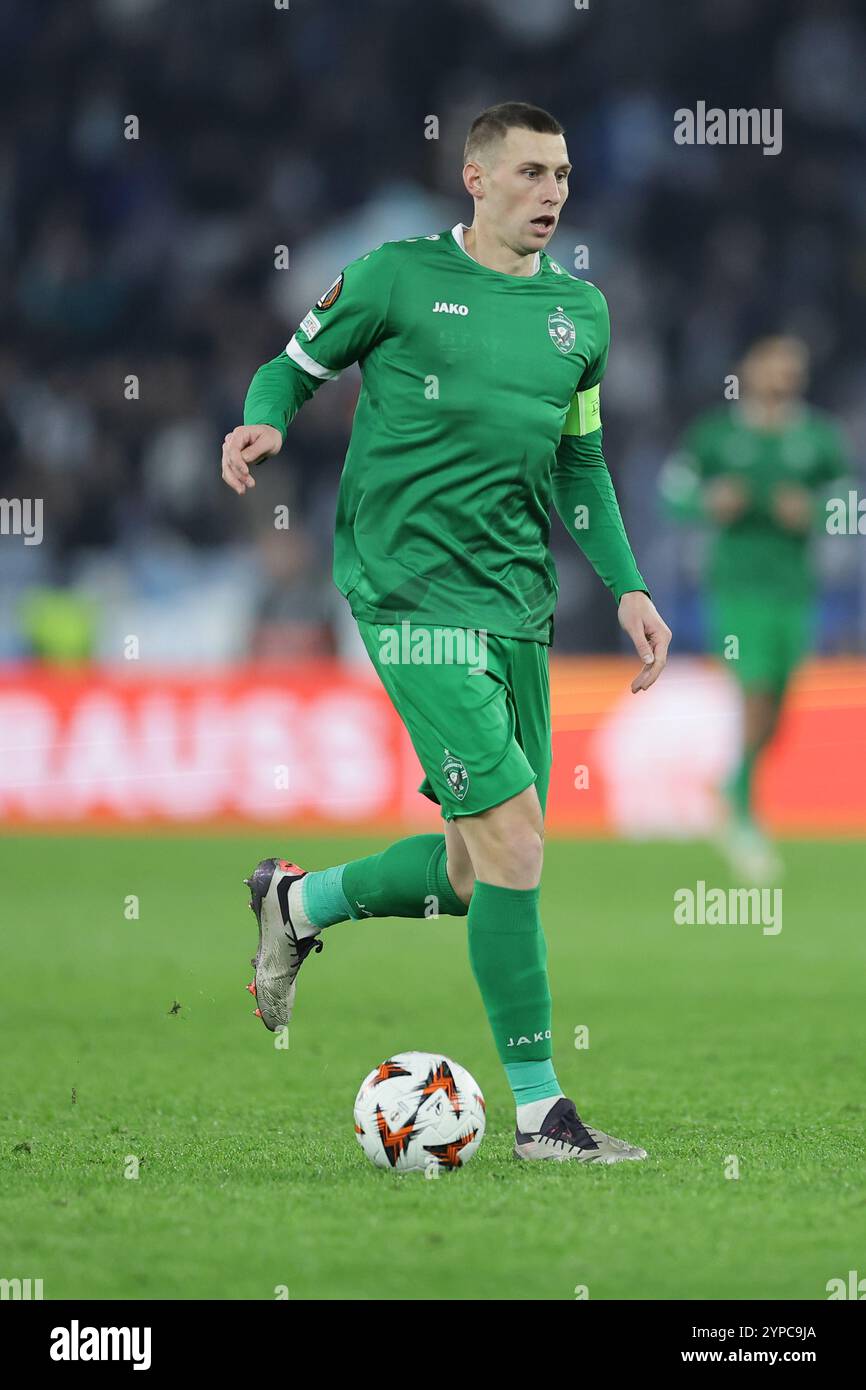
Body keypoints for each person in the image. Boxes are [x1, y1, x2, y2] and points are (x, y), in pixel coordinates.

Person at [222, 101, 672, 1164]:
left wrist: (627, 586)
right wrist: (267, 417)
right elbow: (292, 364)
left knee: (481, 874)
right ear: (474, 180)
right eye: (527, 172)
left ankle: (297, 900)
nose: (550, 191)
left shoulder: (579, 315)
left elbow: (579, 464)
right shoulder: (391, 276)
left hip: (516, 602)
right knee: (516, 835)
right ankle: (539, 1117)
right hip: (406, 592)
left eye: (560, 173)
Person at [660, 336, 847, 880]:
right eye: (774, 364)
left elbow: (850, 504)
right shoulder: (717, 437)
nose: (783, 375)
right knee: (757, 687)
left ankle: (733, 783)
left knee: (780, 707)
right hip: (738, 588)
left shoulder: (816, 438)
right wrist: (710, 502)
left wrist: (815, 511)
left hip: (795, 588)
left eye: (793, 367)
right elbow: (671, 494)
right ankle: (741, 811)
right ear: (749, 369)